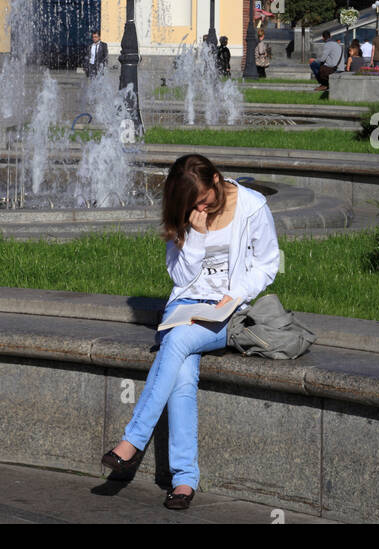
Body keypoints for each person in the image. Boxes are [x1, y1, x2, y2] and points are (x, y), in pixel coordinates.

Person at [101, 153, 280, 509]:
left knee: (178, 340)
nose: (200, 207)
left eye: (204, 199)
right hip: (184, 305)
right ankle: (183, 481)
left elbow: (267, 263)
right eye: (193, 204)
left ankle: (133, 441)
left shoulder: (253, 207)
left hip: (228, 310)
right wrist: (195, 237)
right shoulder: (186, 211)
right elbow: (180, 277)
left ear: (216, 179)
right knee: (182, 372)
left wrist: (238, 293)